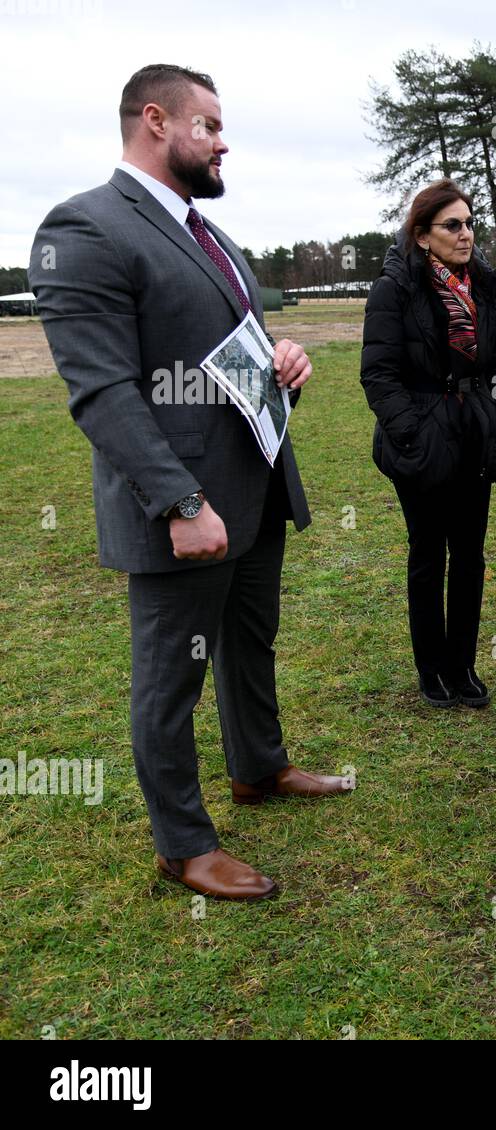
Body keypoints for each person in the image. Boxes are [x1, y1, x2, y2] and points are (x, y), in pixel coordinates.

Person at [28, 64, 350, 902]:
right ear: (155, 121)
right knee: (172, 677)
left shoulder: (212, 236)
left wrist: (287, 365)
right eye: (208, 124)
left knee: (251, 643)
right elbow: (102, 391)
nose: (222, 139)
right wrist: (178, 499)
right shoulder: (88, 227)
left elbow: (239, 353)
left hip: (255, 489)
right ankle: (182, 844)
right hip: (184, 510)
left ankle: (258, 767)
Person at [360, 180, 496, 708]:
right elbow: (379, 375)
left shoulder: (480, 286)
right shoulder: (395, 288)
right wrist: (412, 432)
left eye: (470, 222)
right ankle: (431, 669)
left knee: (470, 556)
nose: (466, 233)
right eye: (453, 225)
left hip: (475, 434)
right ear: (423, 234)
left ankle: (463, 665)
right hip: (423, 442)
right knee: (428, 555)